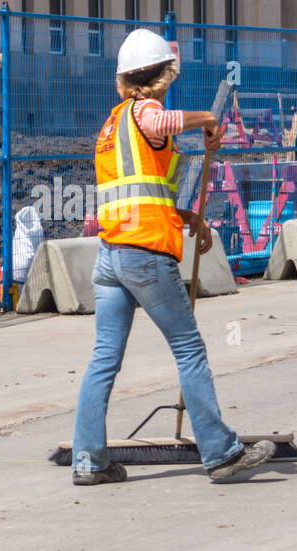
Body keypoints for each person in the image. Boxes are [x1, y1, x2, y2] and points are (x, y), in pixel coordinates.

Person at [71, 28, 277, 485]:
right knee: (189, 349)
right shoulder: (147, 110)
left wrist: (190, 218)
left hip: (111, 256)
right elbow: (159, 123)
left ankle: (89, 461)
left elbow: (140, 193)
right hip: (144, 254)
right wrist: (207, 119)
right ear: (163, 75)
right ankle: (222, 454)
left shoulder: (111, 125)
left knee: (104, 358)